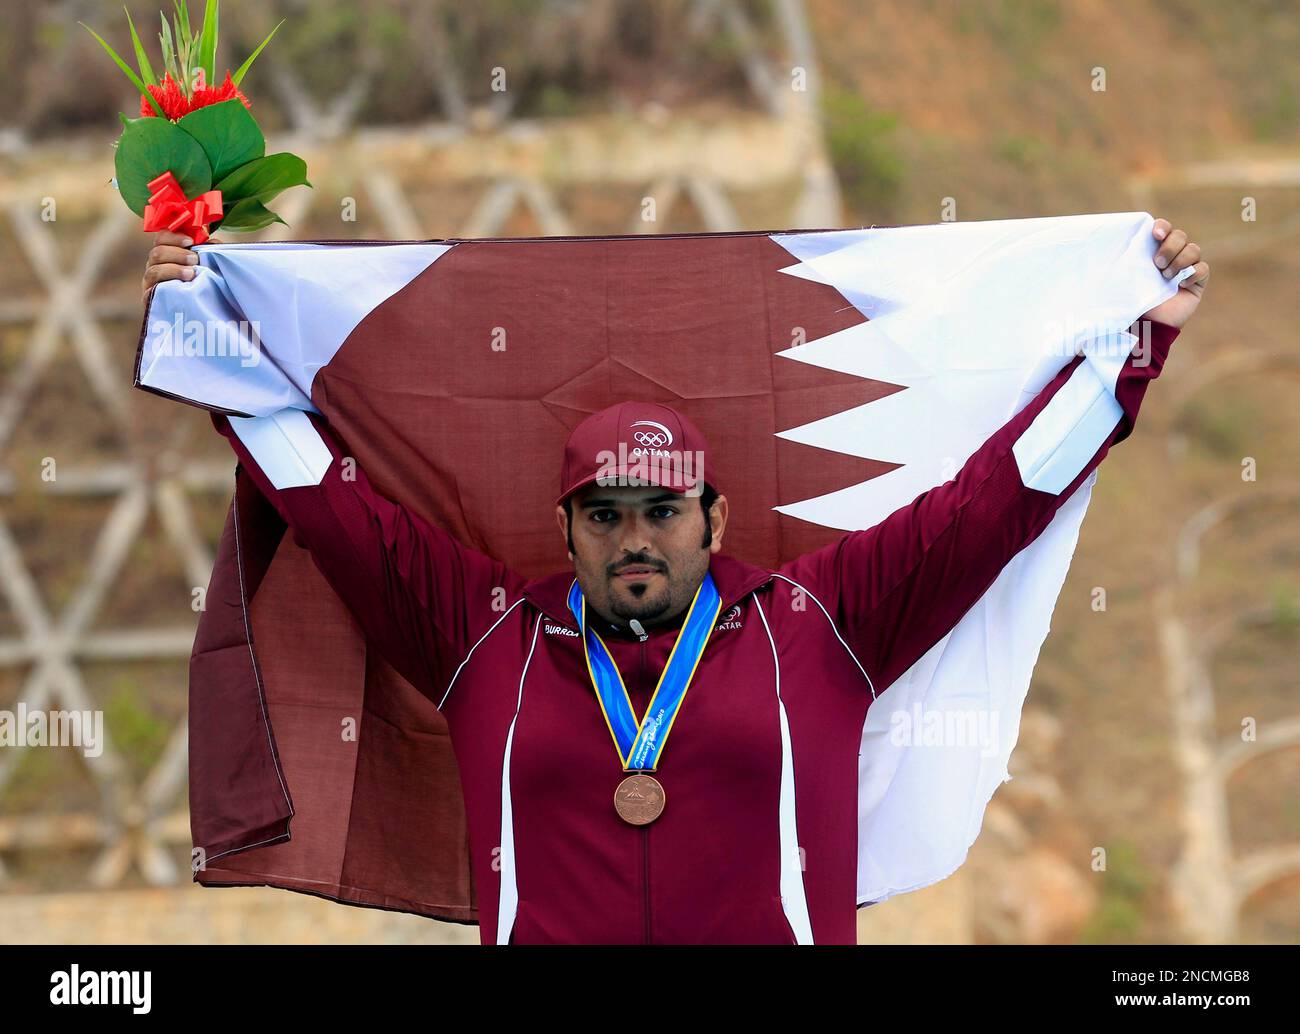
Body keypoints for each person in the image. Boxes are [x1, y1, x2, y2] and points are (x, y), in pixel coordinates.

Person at [141, 220, 1208, 944]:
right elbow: (328, 499)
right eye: (604, 515)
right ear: (566, 530)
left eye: (661, 510)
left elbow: (995, 499)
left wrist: (1131, 339)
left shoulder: (820, 623)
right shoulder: (483, 639)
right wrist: (206, 335)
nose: (634, 537)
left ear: (714, 517)